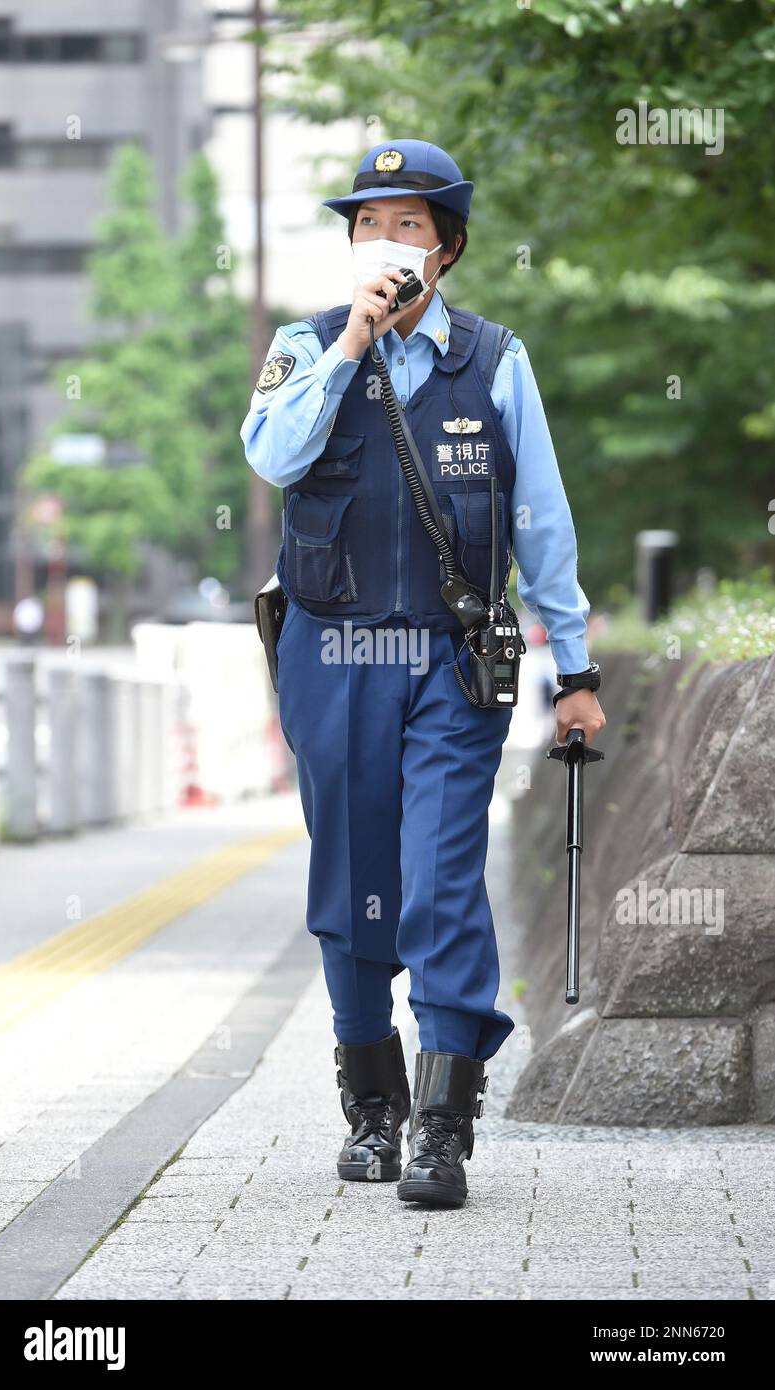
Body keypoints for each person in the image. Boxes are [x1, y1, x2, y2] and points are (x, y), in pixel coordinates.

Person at [240, 139, 606, 1208]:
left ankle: (444, 1125)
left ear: (444, 249)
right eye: (366, 223)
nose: (383, 242)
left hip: (452, 663)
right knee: (353, 891)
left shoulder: (495, 361)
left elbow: (541, 520)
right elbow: (272, 456)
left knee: (442, 886)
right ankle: (372, 1109)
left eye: (407, 226)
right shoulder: (305, 348)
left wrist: (574, 666)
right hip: (330, 654)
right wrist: (353, 340)